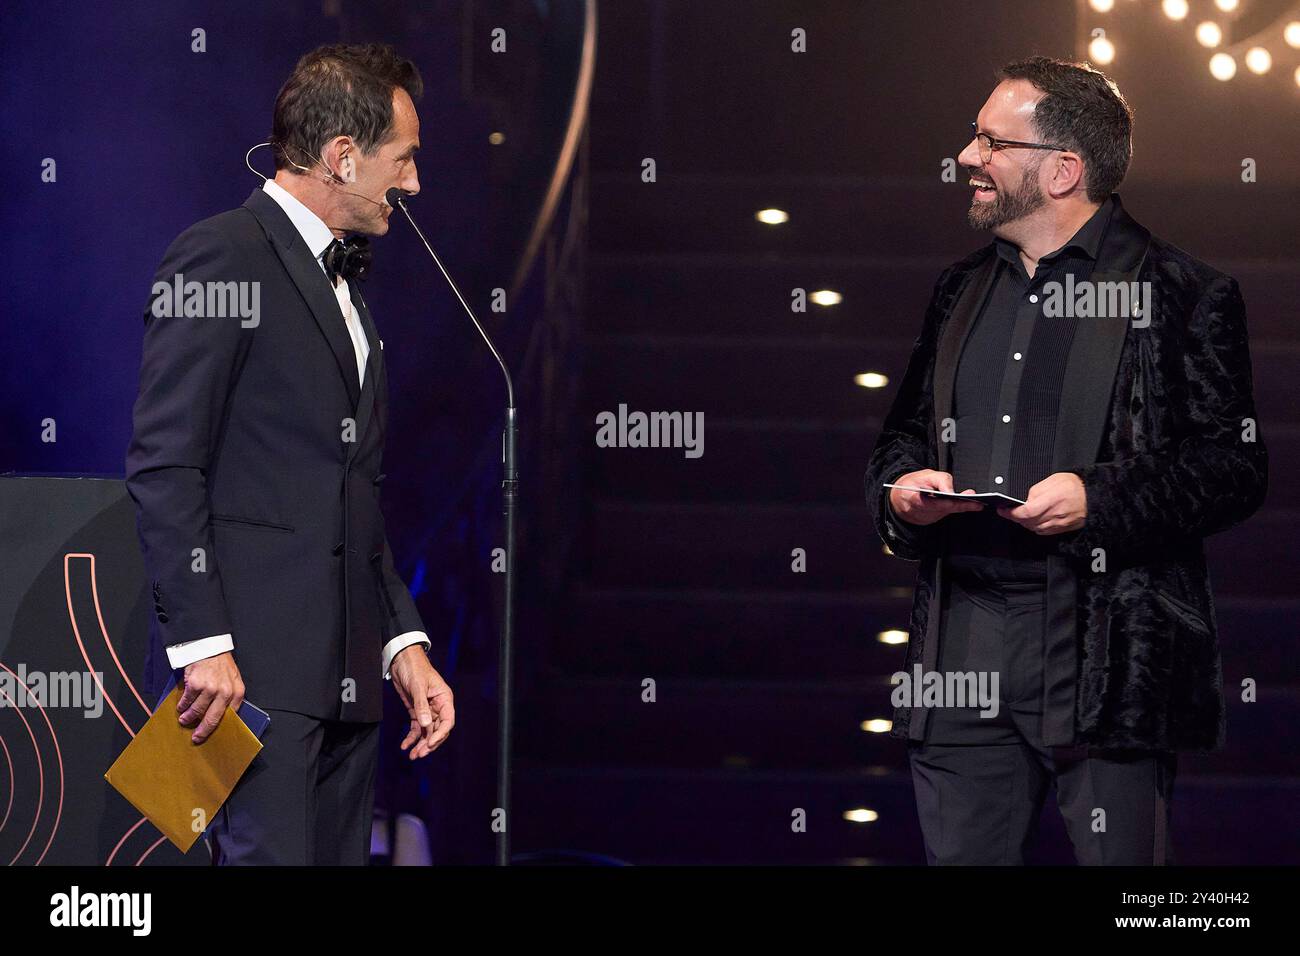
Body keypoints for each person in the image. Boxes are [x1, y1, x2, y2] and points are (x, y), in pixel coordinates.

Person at [864, 56, 1267, 865]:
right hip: (961, 653)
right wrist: (902, 487)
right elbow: (901, 438)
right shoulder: (958, 288)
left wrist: (1098, 498)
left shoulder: (1183, 290)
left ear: (1062, 170)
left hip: (1104, 654)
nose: (967, 156)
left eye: (989, 140)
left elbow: (1234, 465)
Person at [126, 43, 455, 865]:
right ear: (343, 157)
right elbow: (167, 463)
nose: (413, 184)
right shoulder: (221, 255)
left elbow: (355, 493)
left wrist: (400, 643)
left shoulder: (355, 301)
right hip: (249, 681)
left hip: (345, 681)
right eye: (404, 159)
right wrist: (203, 646)